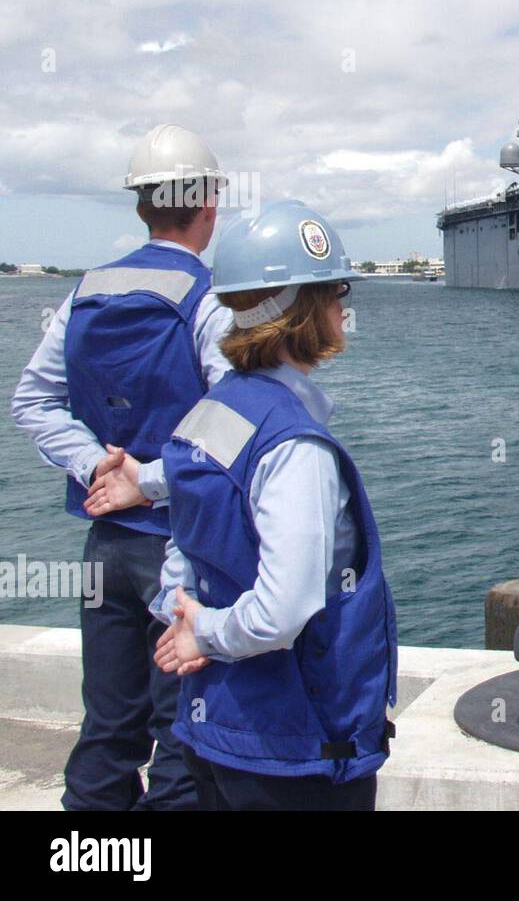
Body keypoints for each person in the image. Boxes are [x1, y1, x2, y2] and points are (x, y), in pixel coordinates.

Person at [10, 124, 234, 811]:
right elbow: (231, 424)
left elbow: (32, 399)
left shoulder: (84, 291)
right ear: (209, 206)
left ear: (140, 206)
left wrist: (96, 468)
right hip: (180, 545)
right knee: (181, 731)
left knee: (108, 724)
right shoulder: (209, 298)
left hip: (103, 545)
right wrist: (146, 478)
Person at [151, 200, 397, 811]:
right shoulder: (294, 444)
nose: (345, 305)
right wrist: (203, 632)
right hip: (295, 754)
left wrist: (182, 618)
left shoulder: (209, 413)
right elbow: (283, 610)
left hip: (214, 734)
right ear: (298, 308)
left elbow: (180, 553)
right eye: (335, 289)